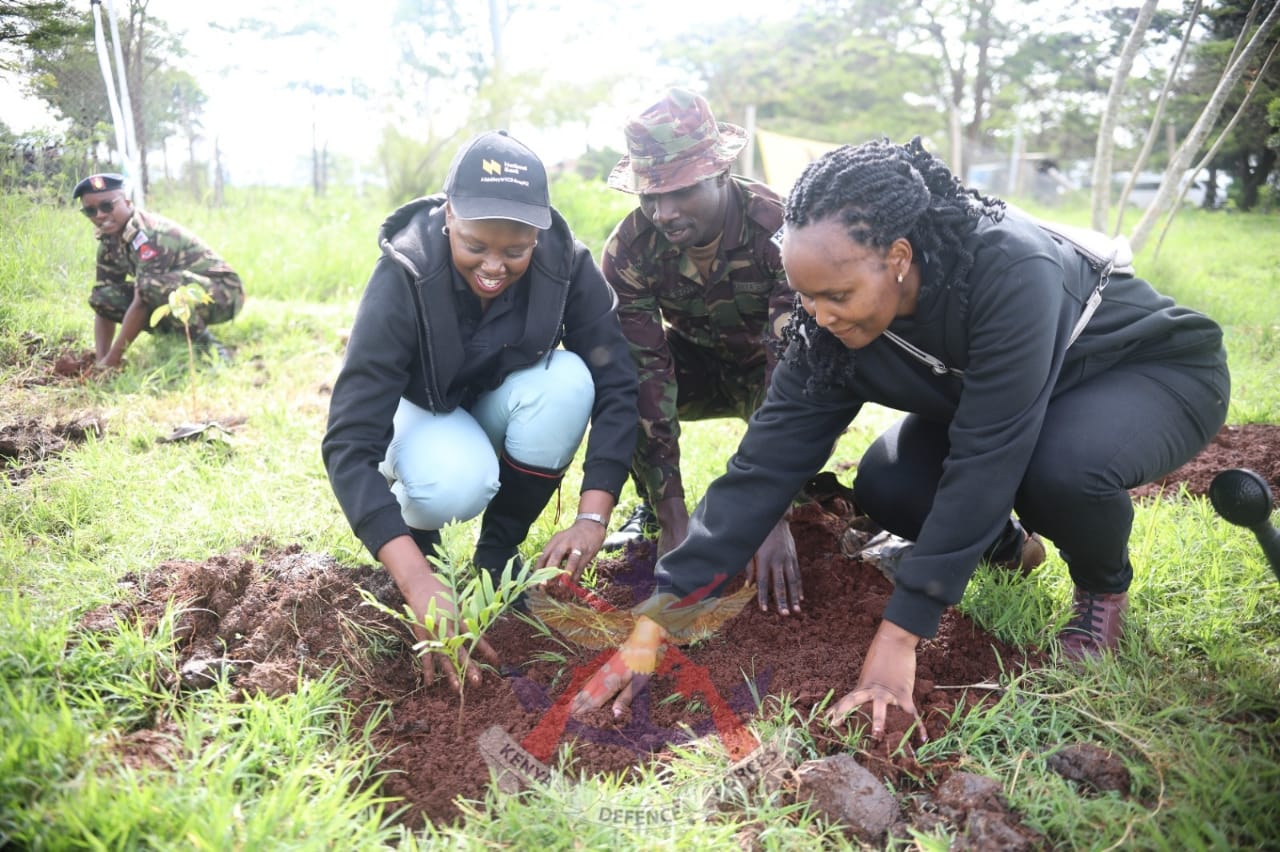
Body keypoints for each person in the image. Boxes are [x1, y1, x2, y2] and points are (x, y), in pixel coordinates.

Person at [571, 137, 1230, 735]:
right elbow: (762, 467)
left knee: (1055, 468)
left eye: (837, 295)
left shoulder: (1009, 269)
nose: (820, 318)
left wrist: (899, 637)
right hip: (1001, 400)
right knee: (889, 482)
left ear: (898, 258)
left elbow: (988, 453)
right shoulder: (824, 326)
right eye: (806, 300)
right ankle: (1003, 546)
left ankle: (1100, 593)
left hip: (1142, 372)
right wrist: (656, 624)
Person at [322, 130, 639, 689]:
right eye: (475, 246)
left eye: (515, 251)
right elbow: (348, 445)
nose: (494, 266)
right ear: (448, 217)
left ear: (538, 233)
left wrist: (593, 516)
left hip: (488, 405)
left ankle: (497, 559)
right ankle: (420, 552)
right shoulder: (404, 274)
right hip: (417, 412)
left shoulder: (565, 263)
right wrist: (419, 582)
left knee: (567, 381)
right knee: (453, 483)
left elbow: (617, 383)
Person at [600, 87, 801, 615]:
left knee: (806, 376)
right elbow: (645, 373)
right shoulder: (630, 250)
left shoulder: (781, 229)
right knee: (615, 377)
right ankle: (650, 509)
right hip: (695, 367)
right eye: (650, 196)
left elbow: (792, 367)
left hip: (771, 371)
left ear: (719, 173)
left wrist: (769, 513)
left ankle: (807, 501)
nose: (663, 213)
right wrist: (673, 520)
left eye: (679, 192)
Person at [74, 173, 244, 368]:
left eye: (107, 206)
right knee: (102, 297)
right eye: (90, 211)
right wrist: (101, 362)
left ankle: (210, 349)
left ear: (127, 203)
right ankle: (173, 338)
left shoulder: (150, 234)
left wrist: (112, 362)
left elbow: (143, 298)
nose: (100, 215)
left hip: (224, 294)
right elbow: (104, 299)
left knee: (150, 286)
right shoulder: (109, 241)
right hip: (175, 290)